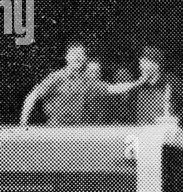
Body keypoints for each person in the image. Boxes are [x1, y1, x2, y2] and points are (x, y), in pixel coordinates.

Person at [19, 38, 155, 126]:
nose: (77, 57)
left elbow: (112, 89)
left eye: (81, 55)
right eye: (74, 54)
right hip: (57, 130)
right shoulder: (56, 77)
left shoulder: (88, 81)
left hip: (78, 131)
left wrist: (138, 82)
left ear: (85, 58)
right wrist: (23, 124)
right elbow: (32, 96)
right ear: (67, 57)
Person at [131, 45, 176, 124]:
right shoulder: (141, 87)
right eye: (141, 63)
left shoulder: (171, 83)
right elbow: (141, 120)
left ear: (156, 65)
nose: (140, 66)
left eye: (145, 63)